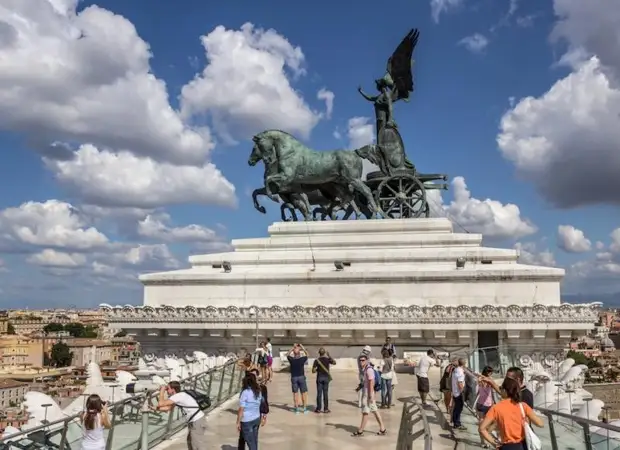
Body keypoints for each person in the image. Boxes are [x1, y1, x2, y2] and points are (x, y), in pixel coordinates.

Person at [479, 377, 544, 449]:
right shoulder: (522, 405)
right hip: (523, 445)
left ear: (504, 390)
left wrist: (494, 443)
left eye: (501, 388)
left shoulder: (496, 407)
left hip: (507, 446)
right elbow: (540, 424)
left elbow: (482, 429)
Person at [153, 381, 208, 450]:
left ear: (173, 389)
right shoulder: (179, 396)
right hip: (195, 421)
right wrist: (153, 408)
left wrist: (162, 391)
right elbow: (168, 408)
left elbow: (161, 403)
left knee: (198, 445)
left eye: (168, 388)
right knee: (190, 442)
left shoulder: (178, 396)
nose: (167, 390)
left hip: (197, 421)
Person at [352, 353, 387, 437]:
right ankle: (382, 429)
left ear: (367, 361)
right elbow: (365, 382)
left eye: (363, 360)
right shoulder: (365, 369)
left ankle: (360, 431)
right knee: (373, 411)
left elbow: (372, 382)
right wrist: (359, 387)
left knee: (366, 412)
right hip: (367, 392)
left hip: (368, 394)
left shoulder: (369, 370)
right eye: (360, 360)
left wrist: (371, 395)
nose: (361, 362)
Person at [238, 369, 269, 450]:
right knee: (254, 441)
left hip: (247, 420)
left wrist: (238, 422)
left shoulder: (245, 392)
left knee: (251, 443)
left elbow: (241, 409)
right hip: (256, 418)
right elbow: (263, 403)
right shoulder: (259, 391)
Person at [476, 366, 495, 448]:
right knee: (486, 424)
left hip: (480, 403)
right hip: (488, 404)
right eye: (491, 372)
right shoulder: (489, 380)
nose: (491, 374)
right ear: (489, 373)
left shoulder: (480, 379)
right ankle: (485, 440)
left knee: (481, 423)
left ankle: (482, 441)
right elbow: (493, 390)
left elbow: (478, 391)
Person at [287, 343, 309, 414]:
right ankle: (304, 408)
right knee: (303, 393)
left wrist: (293, 348)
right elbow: (307, 354)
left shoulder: (291, 360)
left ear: (293, 353)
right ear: (299, 353)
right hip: (301, 377)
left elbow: (287, 354)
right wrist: (302, 347)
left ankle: (296, 409)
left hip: (294, 377)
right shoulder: (302, 359)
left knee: (295, 393)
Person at [312, 347, 336, 413]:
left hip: (319, 378)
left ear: (319, 353)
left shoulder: (316, 360)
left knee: (319, 394)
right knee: (325, 393)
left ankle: (318, 409)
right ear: (324, 353)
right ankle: (326, 409)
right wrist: (329, 355)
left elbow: (313, 371)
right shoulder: (327, 359)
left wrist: (317, 369)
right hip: (326, 378)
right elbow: (334, 363)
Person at [451, 358, 467, 430]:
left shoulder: (456, 370)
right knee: (459, 409)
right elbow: (460, 383)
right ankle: (457, 424)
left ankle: (455, 422)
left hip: (454, 392)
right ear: (464, 363)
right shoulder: (460, 372)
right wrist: (462, 391)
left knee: (456, 408)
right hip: (458, 393)